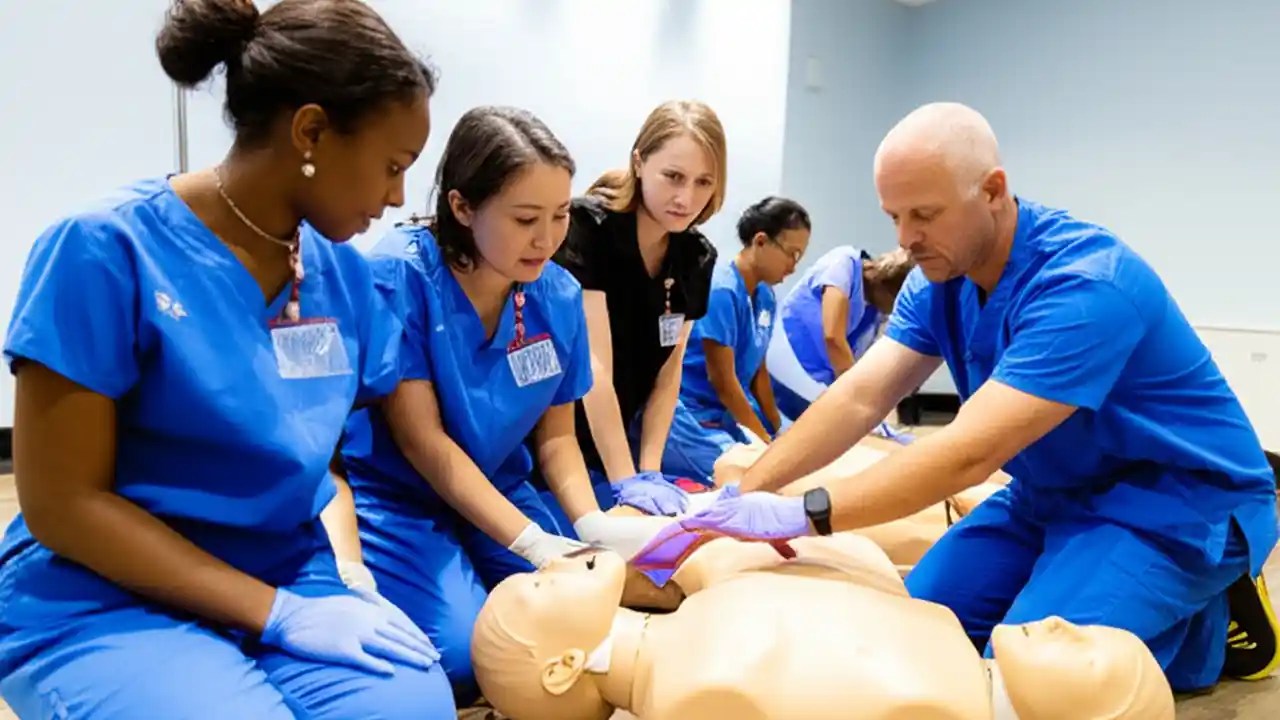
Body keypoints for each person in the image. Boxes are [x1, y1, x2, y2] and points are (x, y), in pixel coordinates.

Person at [675, 101, 1280, 693]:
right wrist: (746, 493)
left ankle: (1209, 620)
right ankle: (1151, 598)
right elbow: (859, 397)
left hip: (1173, 501)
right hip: (1052, 492)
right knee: (913, 627)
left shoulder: (1085, 285)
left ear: (993, 190)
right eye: (893, 217)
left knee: (1028, 671)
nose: (907, 238)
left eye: (925, 214)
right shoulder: (939, 276)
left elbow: (966, 455)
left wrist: (802, 512)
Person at [0, 1, 457, 718]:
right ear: (310, 130)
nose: (398, 197)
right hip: (101, 590)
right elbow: (64, 506)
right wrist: (274, 614)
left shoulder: (341, 275)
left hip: (284, 565)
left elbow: (322, 463)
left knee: (411, 704)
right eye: (391, 167)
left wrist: (347, 574)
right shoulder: (103, 250)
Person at [333, 106, 665, 705]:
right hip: (405, 495)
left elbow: (557, 438)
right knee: (466, 657)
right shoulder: (401, 276)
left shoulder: (555, 293)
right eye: (526, 219)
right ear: (462, 208)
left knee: (597, 608)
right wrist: (533, 543)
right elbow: (424, 443)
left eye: (561, 215)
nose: (548, 239)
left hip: (502, 485)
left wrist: (589, 524)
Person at [469, 541, 1175, 720]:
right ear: (562, 667)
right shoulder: (691, 691)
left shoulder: (692, 650)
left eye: (1086, 651)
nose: (1061, 623)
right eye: (537, 588)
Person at [539, 100, 729, 527]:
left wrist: (650, 471)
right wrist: (626, 480)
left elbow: (668, 373)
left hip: (622, 435)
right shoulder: (589, 230)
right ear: (639, 163)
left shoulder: (695, 257)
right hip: (557, 442)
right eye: (674, 177)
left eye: (703, 183)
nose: (687, 198)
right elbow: (595, 366)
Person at [660, 197, 810, 482]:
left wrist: (778, 430)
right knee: (756, 475)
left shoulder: (765, 296)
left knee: (799, 452)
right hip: (692, 416)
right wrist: (765, 443)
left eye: (799, 256)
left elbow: (758, 373)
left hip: (727, 414)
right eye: (791, 253)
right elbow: (724, 382)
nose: (793, 265)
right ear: (761, 242)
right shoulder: (721, 289)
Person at [766, 245, 914, 425]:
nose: (892, 312)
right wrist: (858, 403)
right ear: (884, 288)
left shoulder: (876, 313)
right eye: (894, 305)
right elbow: (833, 339)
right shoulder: (843, 264)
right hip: (784, 368)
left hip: (817, 385)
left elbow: (871, 368)